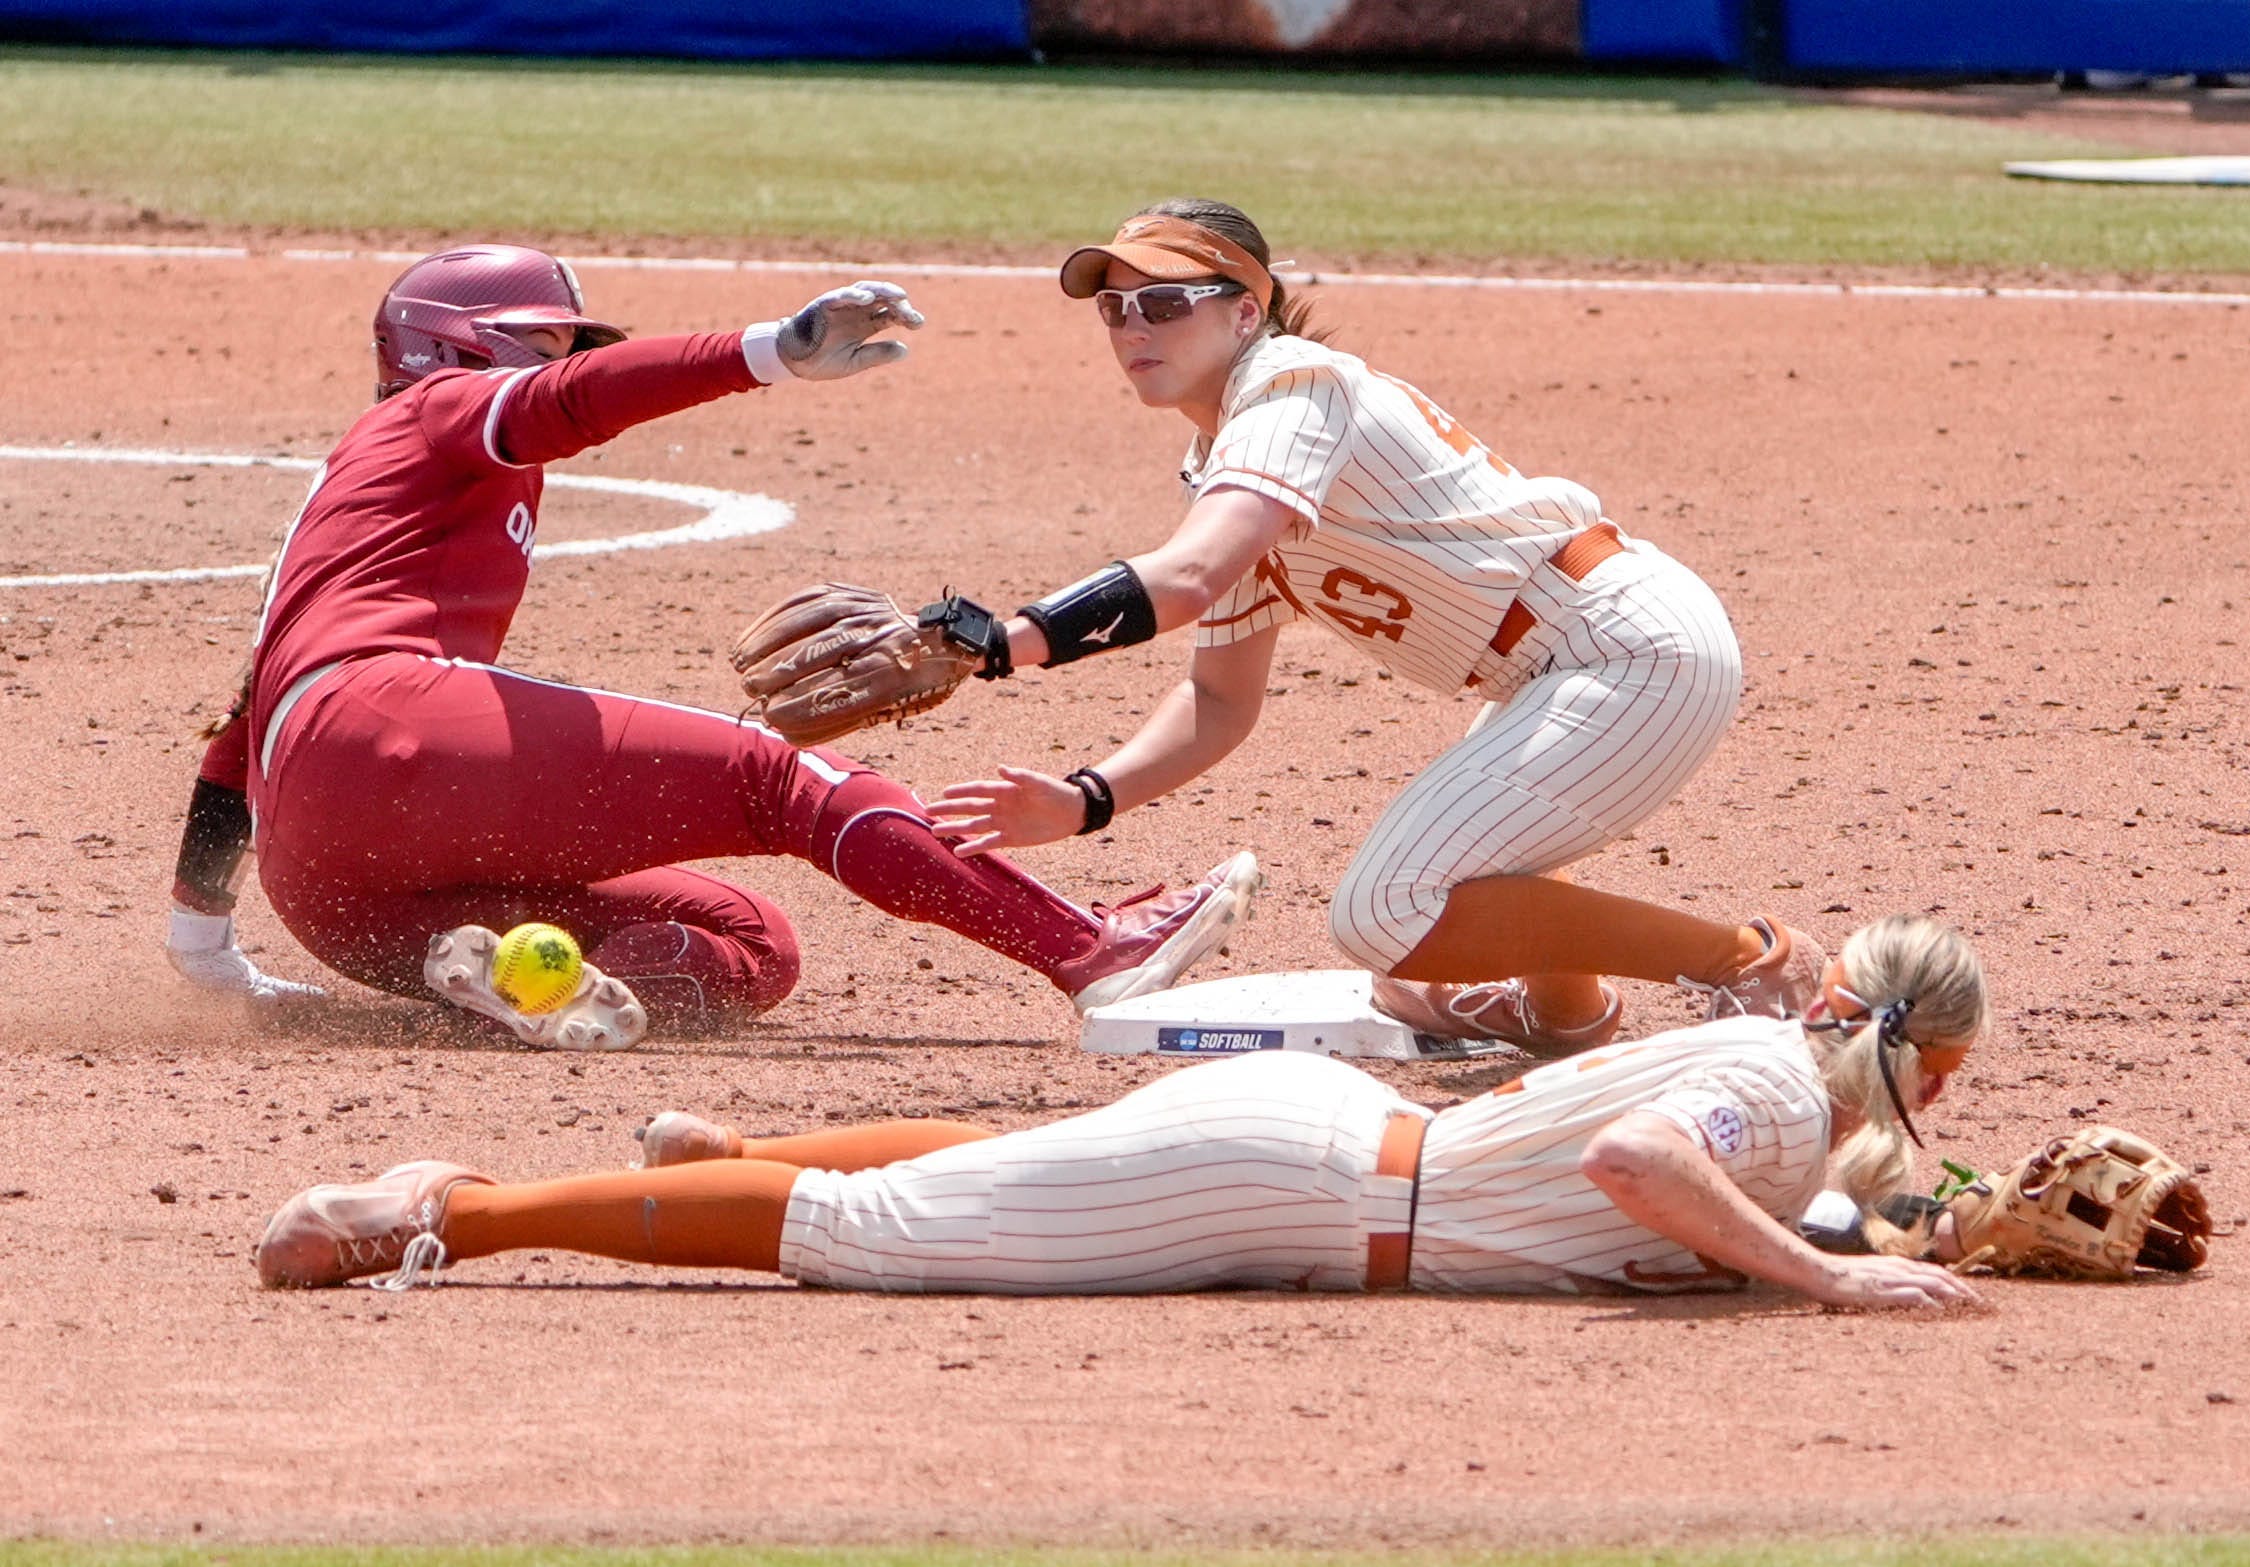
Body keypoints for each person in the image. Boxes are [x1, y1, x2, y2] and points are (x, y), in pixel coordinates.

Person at [162, 243, 1258, 1048]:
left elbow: (239, 732)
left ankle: (507, 975)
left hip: (336, 896)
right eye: (543, 339)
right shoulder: (435, 409)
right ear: (458, 346)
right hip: (383, 724)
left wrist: (202, 943)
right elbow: (567, 401)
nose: (563, 356)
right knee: (783, 781)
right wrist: (768, 352)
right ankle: (1091, 950)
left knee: (748, 947)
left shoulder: (349, 505)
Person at [914, 197, 1816, 1059]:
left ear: (1244, 313)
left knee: (1385, 912)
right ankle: (1561, 1008)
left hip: (1626, 648)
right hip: (1561, 665)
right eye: (1114, 308)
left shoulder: (1293, 389)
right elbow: (1218, 698)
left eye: (1164, 301)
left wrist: (1004, 641)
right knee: (1474, 846)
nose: (1132, 327)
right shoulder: (1234, 463)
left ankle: (1750, 963)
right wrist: (1085, 798)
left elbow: (1186, 577)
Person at [253, 914, 1987, 1310]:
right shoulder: (1760, 1091)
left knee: (1005, 1169)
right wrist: (1831, 1283)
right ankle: (451, 1211)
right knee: (873, 1245)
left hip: (1317, 1158)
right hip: (1288, 1192)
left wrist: (1935, 1232)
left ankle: (725, 1157)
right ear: (1925, 1063)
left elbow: (1829, 1198)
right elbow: (1637, 1165)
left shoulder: (1781, 1101)